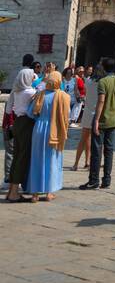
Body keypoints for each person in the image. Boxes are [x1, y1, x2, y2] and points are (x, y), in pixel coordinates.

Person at [80, 56, 115, 191]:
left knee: (96, 150)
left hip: (101, 120)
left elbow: (101, 101)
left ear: (104, 68)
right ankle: (106, 180)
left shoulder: (103, 82)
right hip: (113, 119)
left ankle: (93, 180)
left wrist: (96, 120)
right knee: (109, 150)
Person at [26, 70, 70, 200]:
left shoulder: (40, 95)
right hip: (54, 129)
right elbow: (67, 115)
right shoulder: (64, 96)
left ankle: (34, 194)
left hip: (39, 128)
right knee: (51, 160)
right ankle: (49, 192)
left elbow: (30, 113)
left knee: (36, 159)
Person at [5, 58, 38, 202]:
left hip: (17, 122)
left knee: (17, 155)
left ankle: (12, 189)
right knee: (22, 157)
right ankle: (13, 193)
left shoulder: (17, 91)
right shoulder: (30, 92)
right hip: (26, 123)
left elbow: (8, 108)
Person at [72, 67, 100, 172]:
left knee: (83, 140)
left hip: (88, 113)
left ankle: (76, 164)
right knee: (95, 141)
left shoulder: (88, 81)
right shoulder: (102, 83)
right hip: (97, 113)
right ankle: (90, 163)